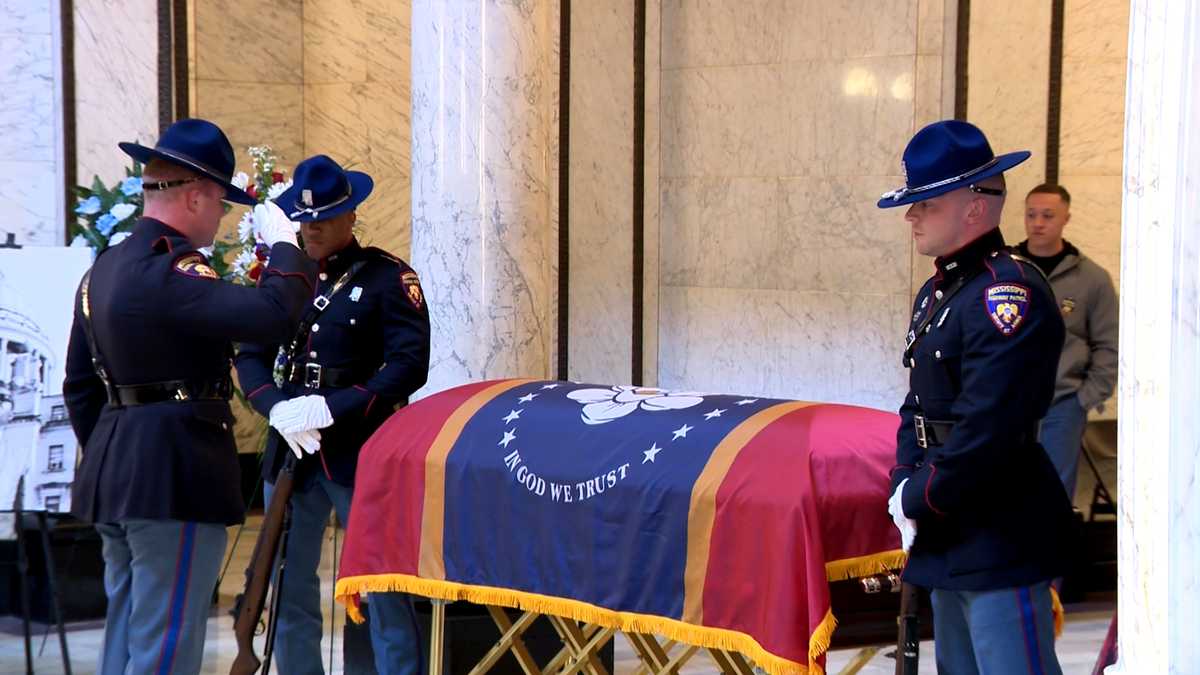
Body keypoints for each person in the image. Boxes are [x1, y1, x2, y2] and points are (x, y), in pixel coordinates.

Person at [62, 118, 318, 674]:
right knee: (165, 647)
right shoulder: (172, 269)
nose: (222, 216)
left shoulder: (102, 270)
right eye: (221, 204)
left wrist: (120, 450)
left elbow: (81, 388)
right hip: (171, 478)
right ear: (197, 196)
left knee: (128, 634)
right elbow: (271, 316)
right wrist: (284, 247)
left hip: (116, 473)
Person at [879, 120, 1074, 674]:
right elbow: (918, 405)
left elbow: (988, 427)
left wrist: (918, 496)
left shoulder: (1005, 294)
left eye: (926, 205)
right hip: (947, 528)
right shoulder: (940, 291)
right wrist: (902, 480)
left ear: (974, 205)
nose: (911, 216)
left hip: (997, 530)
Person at [234, 154, 431, 675]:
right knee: (287, 582)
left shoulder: (390, 278)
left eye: (323, 218)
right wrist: (276, 410)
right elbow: (249, 354)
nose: (311, 229)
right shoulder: (283, 280)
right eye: (303, 219)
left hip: (361, 446)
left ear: (351, 216)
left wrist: (331, 406)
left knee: (381, 586)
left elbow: (409, 366)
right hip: (293, 447)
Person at [1016, 183, 1118, 499]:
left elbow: (1109, 344)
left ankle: (1049, 550)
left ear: (1066, 218)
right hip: (1007, 403)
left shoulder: (1092, 278)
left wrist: (1084, 398)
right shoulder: (1007, 271)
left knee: (1054, 494)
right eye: (1031, 215)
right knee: (1003, 491)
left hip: (1062, 406)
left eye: (1048, 215)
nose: (1038, 223)